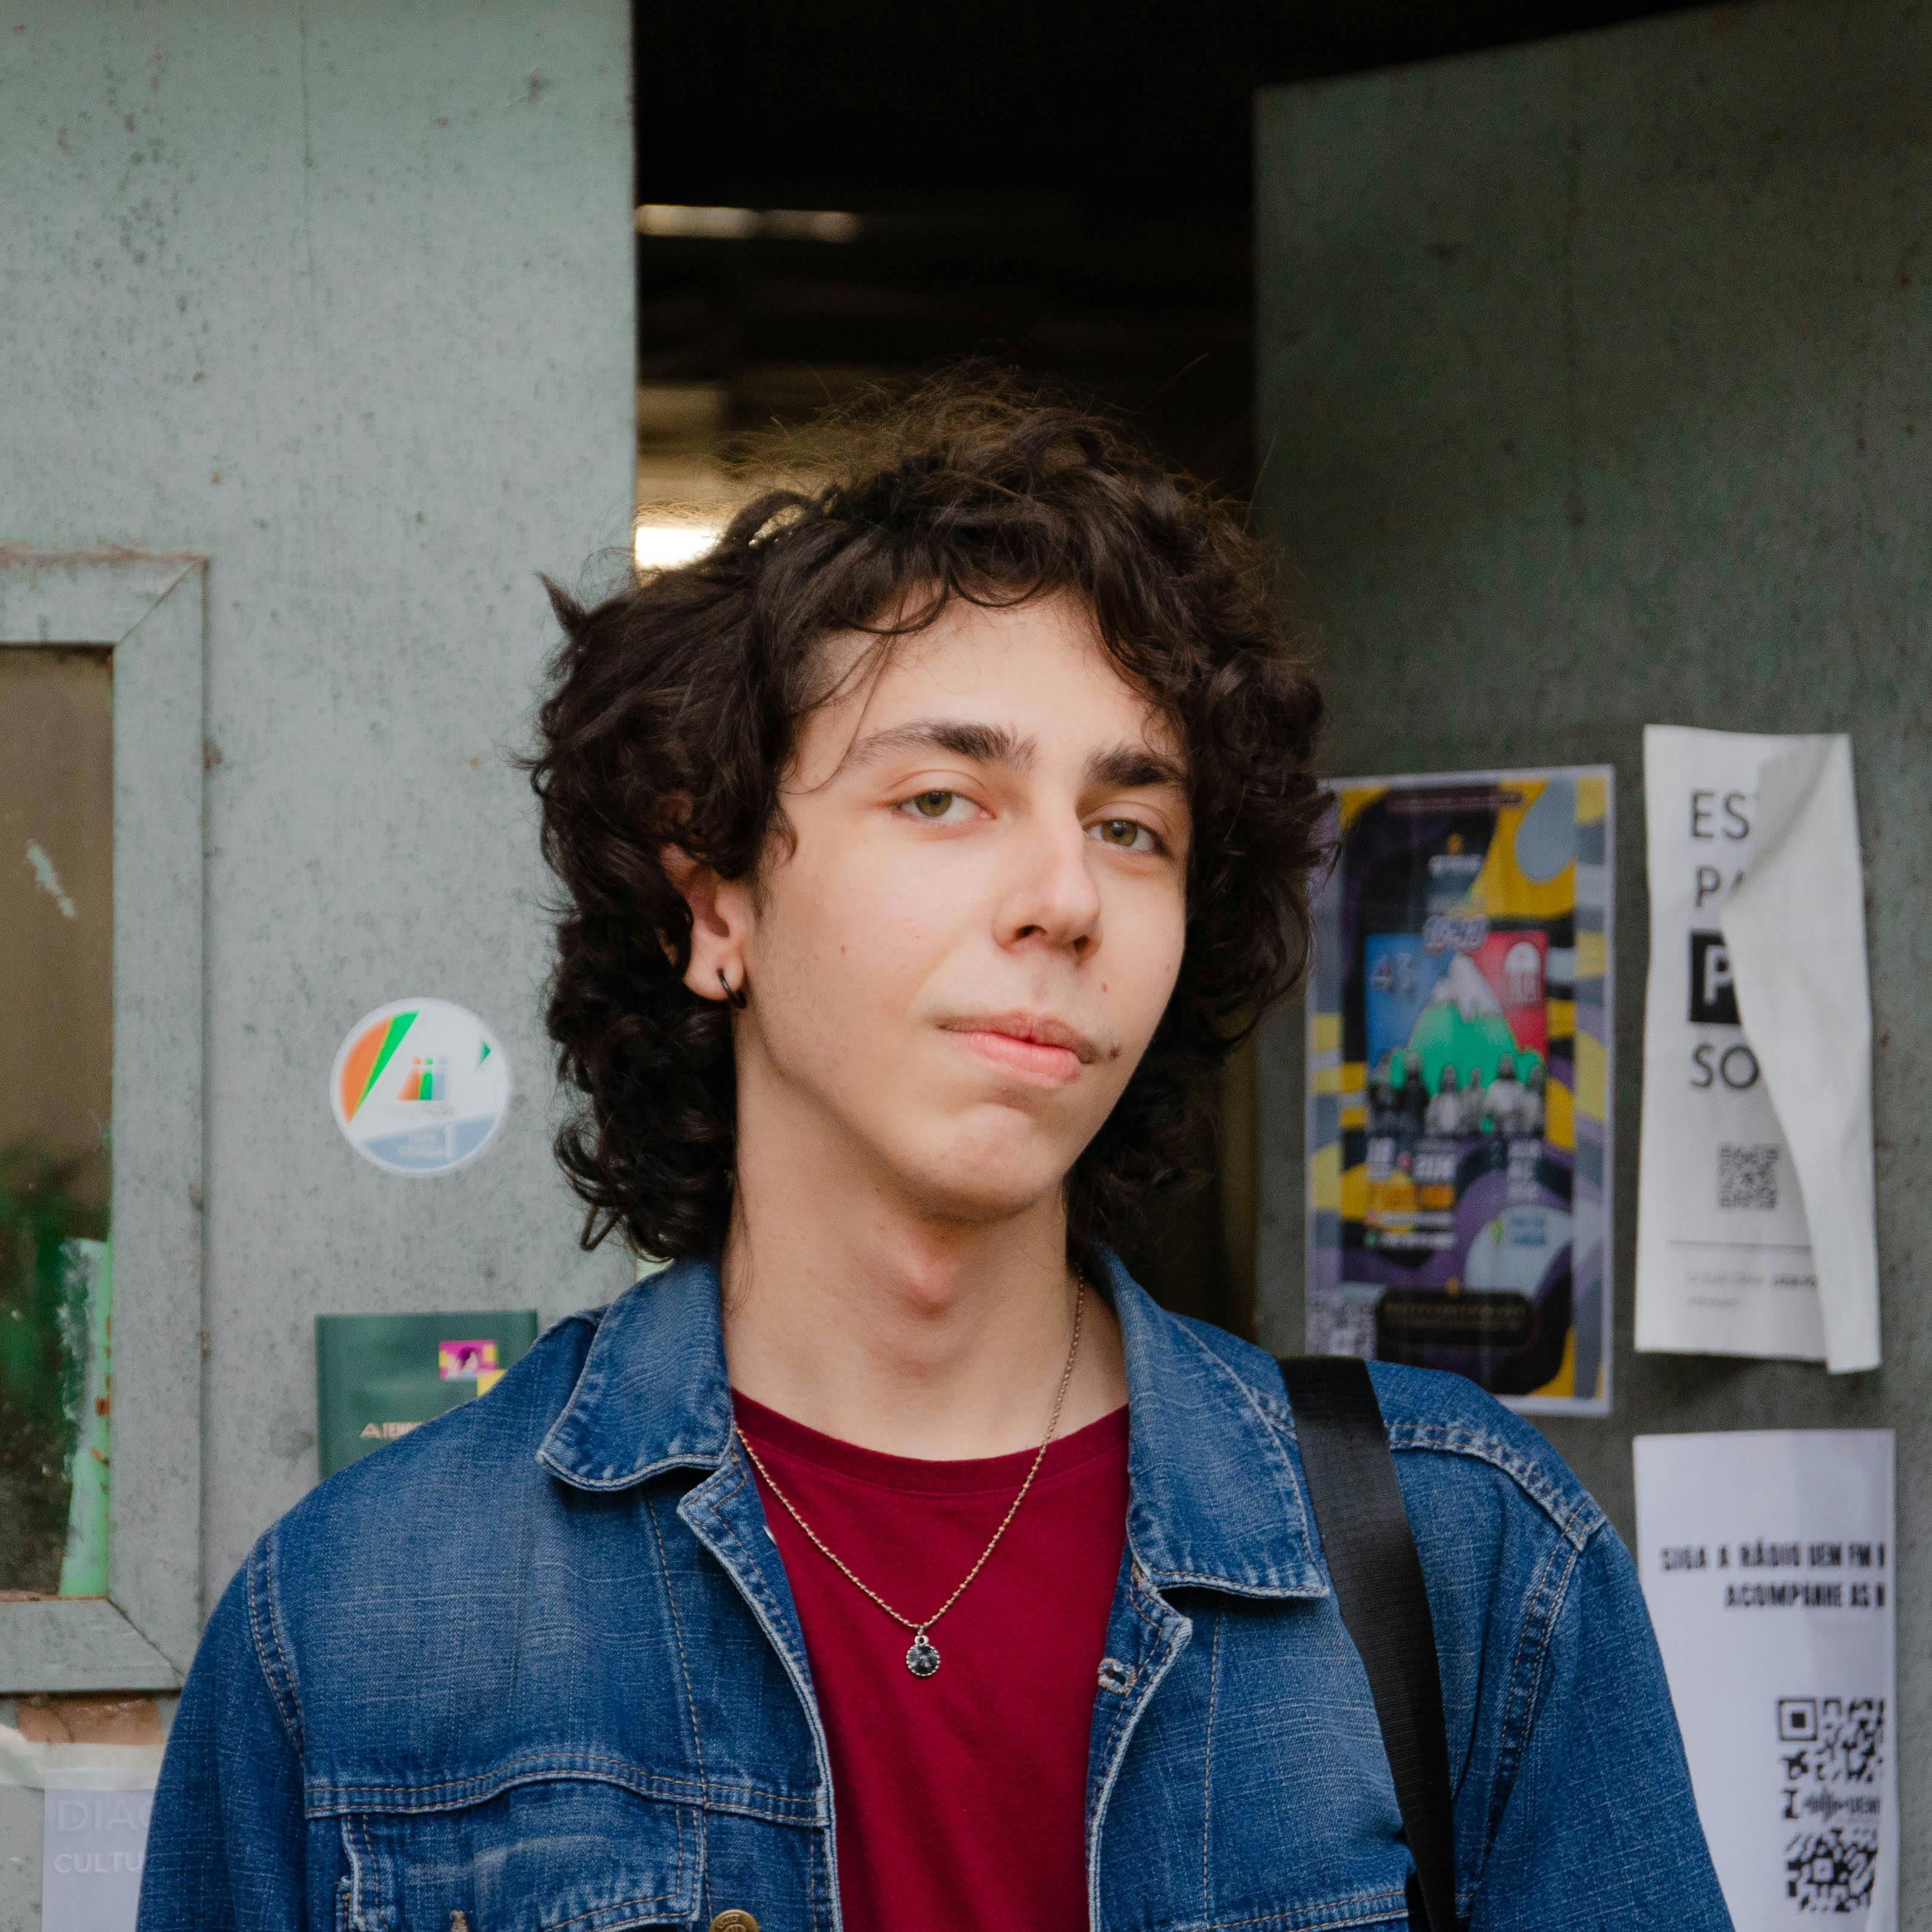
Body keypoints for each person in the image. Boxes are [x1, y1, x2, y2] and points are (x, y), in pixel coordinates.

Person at [137, 376, 1729, 1932]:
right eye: (946, 798)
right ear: (715, 900)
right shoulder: (360, 1622)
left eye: (1131, 828)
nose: (1066, 897)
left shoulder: (1460, 1559)